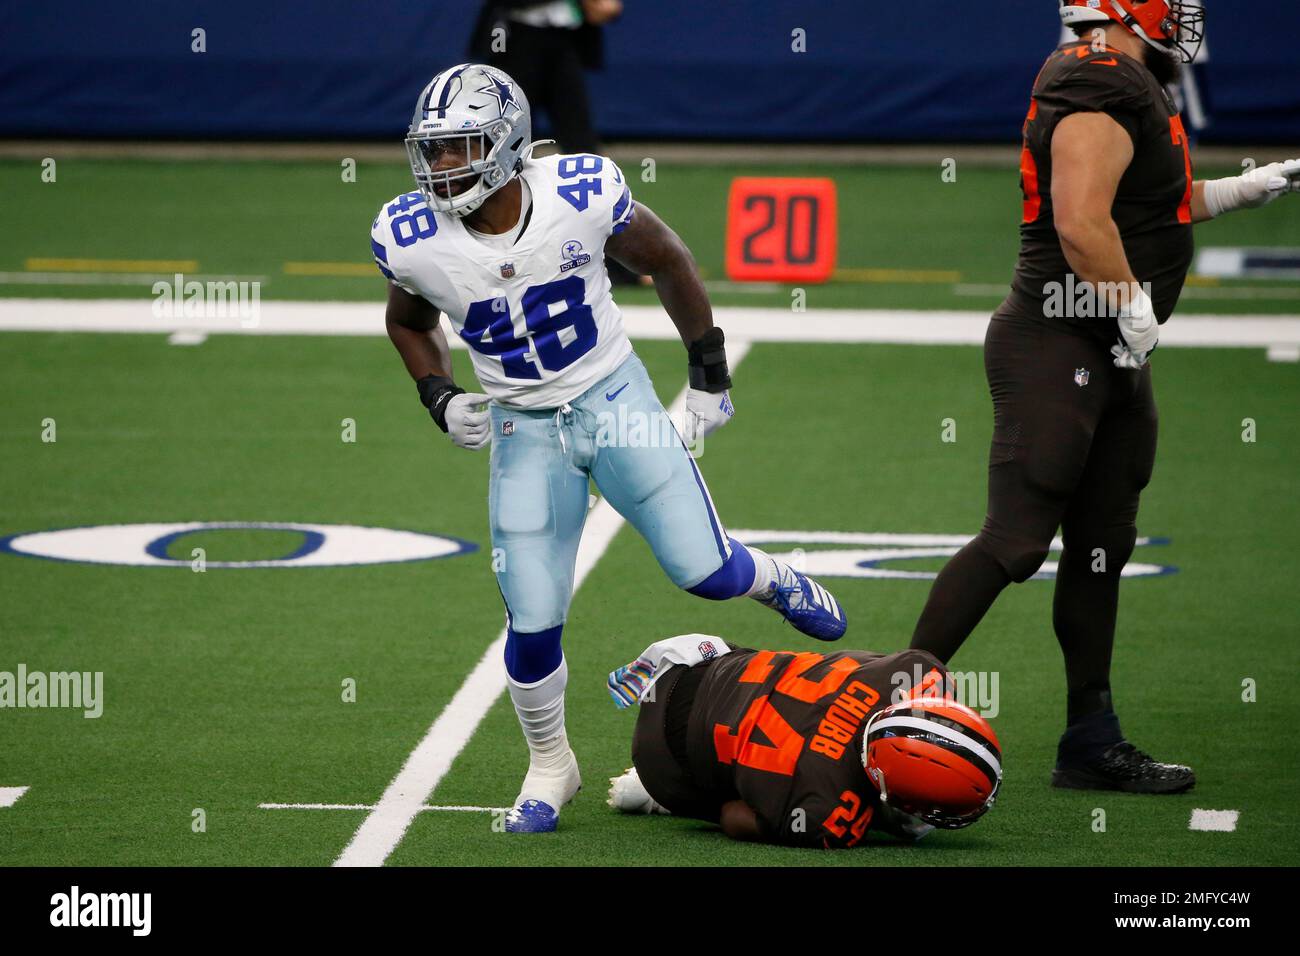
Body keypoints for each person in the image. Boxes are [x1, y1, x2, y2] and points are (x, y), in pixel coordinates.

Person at [370, 63, 847, 834]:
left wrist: (708, 375)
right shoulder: (411, 236)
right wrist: (440, 395)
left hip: (613, 400)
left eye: (460, 148)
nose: (442, 166)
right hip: (524, 426)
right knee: (531, 615)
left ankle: (771, 576)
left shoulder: (577, 192)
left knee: (706, 571)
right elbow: (409, 321)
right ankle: (551, 765)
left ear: (505, 143)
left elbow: (667, 261)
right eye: (434, 150)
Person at [908, 1, 1299, 793]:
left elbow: (1146, 203)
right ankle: (876, 701)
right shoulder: (1095, 81)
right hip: (1058, 338)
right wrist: (1130, 305)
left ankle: (1090, 737)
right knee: (1017, 541)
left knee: (1102, 545)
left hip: (1109, 343)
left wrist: (1234, 193)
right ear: (1119, 11)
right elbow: (1082, 223)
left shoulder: (1130, 80)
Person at [606, 634, 1002, 848]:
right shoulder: (827, 817)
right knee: (742, 800)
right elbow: (733, 817)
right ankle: (651, 793)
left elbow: (847, 659)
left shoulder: (917, 671)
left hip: (693, 655)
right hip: (662, 760)